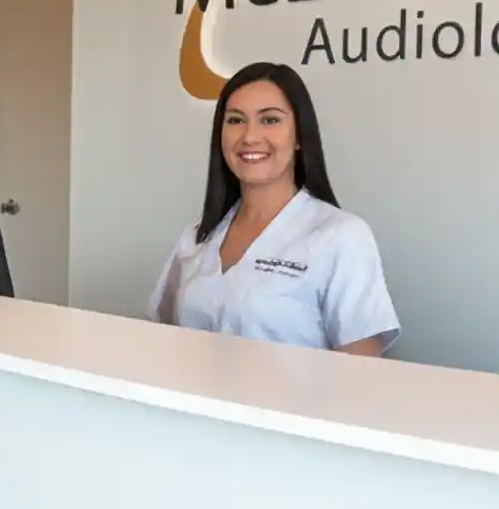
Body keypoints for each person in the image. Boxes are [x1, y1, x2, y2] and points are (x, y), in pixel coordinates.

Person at [147, 62, 400, 356]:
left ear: (299, 137)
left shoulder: (341, 236)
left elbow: (362, 371)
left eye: (269, 120)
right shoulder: (196, 238)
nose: (249, 136)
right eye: (235, 120)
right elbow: (161, 341)